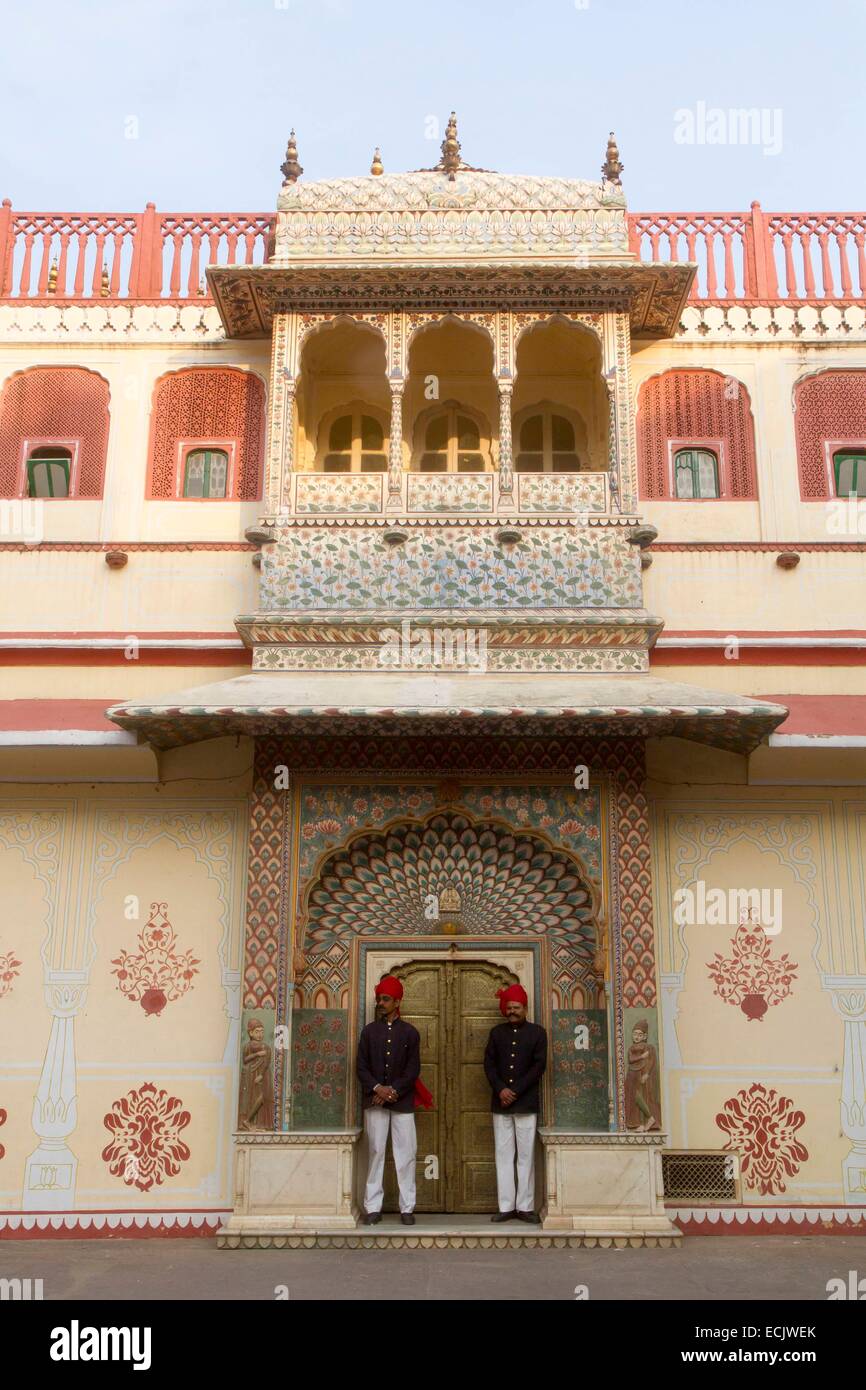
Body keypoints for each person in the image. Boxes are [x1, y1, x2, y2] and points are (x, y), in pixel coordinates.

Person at [356, 975, 421, 1225]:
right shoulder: (369, 1032)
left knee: (406, 1154)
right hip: (375, 1101)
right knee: (375, 1152)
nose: (380, 1003)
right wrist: (377, 1089)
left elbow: (413, 1069)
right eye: (379, 999)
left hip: (401, 1102)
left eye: (385, 999)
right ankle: (373, 1207)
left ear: (397, 1001)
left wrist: (393, 1091)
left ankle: (407, 1207)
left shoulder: (410, 1032)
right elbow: (361, 1066)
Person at [483, 983, 547, 1224]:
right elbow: (488, 1064)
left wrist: (515, 1091)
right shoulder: (497, 1033)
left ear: (525, 1008)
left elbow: (538, 1067)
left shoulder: (538, 1033)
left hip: (525, 1103)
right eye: (509, 1007)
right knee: (503, 1155)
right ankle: (506, 1206)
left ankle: (525, 1206)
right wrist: (501, 1089)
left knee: (525, 1156)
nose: (512, 1011)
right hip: (501, 1104)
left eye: (516, 1007)